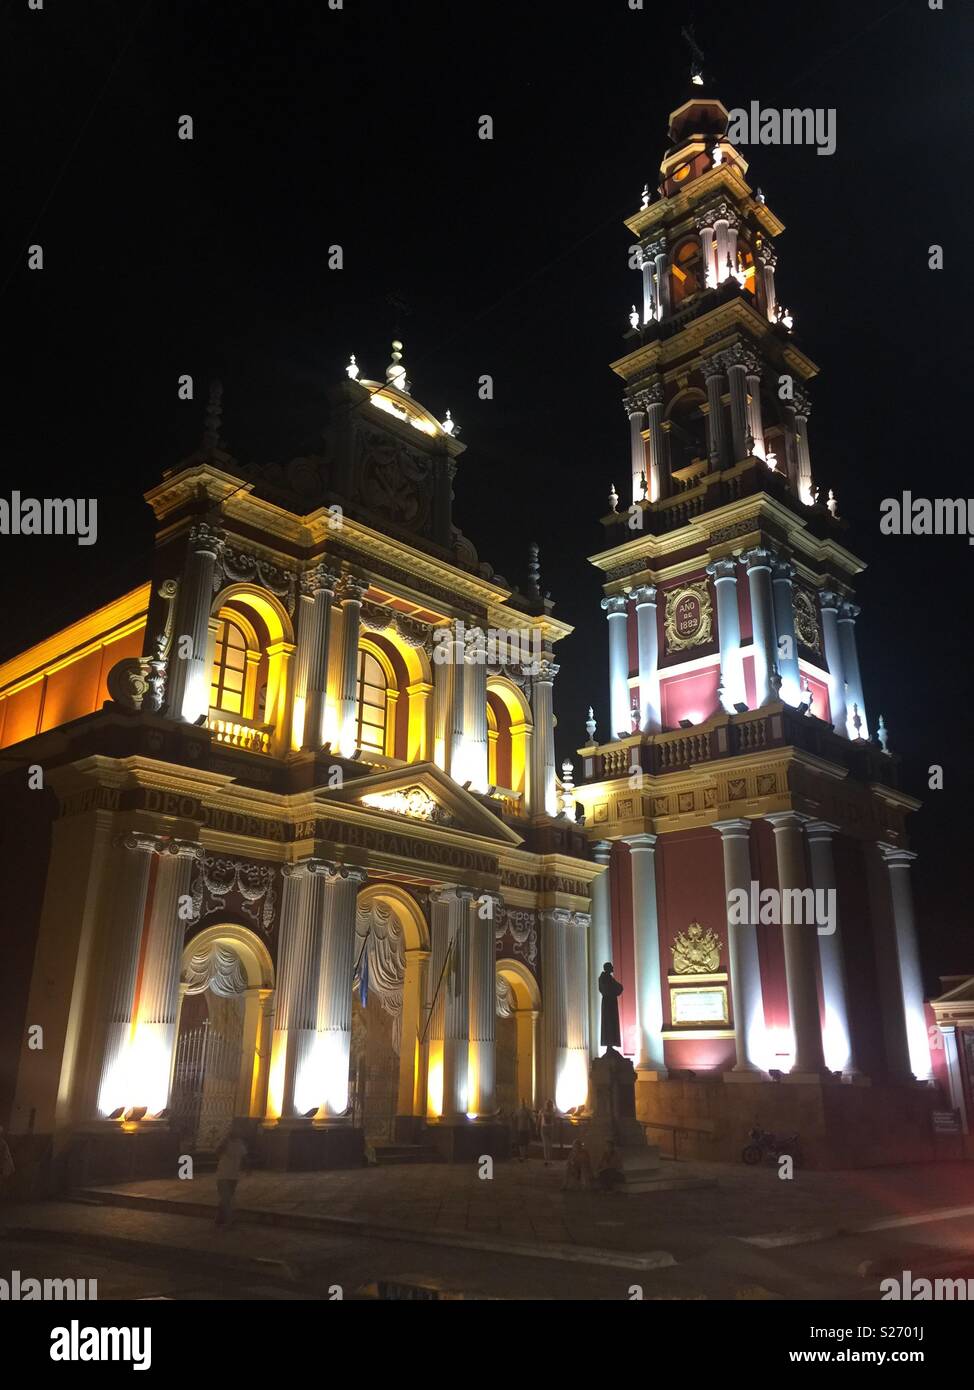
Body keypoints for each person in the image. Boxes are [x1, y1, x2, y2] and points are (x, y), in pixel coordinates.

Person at [214, 1127, 248, 1227]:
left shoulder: (239, 1144)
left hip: (233, 1175)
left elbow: (245, 1156)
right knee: (226, 1198)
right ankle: (229, 1220)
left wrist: (248, 1167)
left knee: (226, 1198)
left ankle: (219, 1219)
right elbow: (217, 1153)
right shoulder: (224, 1142)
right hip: (223, 1174)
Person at [539, 1099, 556, 1166]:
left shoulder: (553, 1111)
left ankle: (549, 1160)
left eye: (550, 1104)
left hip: (550, 1128)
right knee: (546, 1145)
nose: (548, 1105)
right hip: (544, 1128)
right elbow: (539, 1119)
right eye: (548, 1104)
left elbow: (554, 1120)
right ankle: (546, 1160)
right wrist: (537, 1127)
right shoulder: (542, 1111)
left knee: (549, 1145)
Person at [0, 1126, 15, 1199]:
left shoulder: (2, 1143)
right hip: (4, 1166)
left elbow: (4, 1157)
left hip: (4, 1166)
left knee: (3, 1182)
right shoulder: (2, 1143)